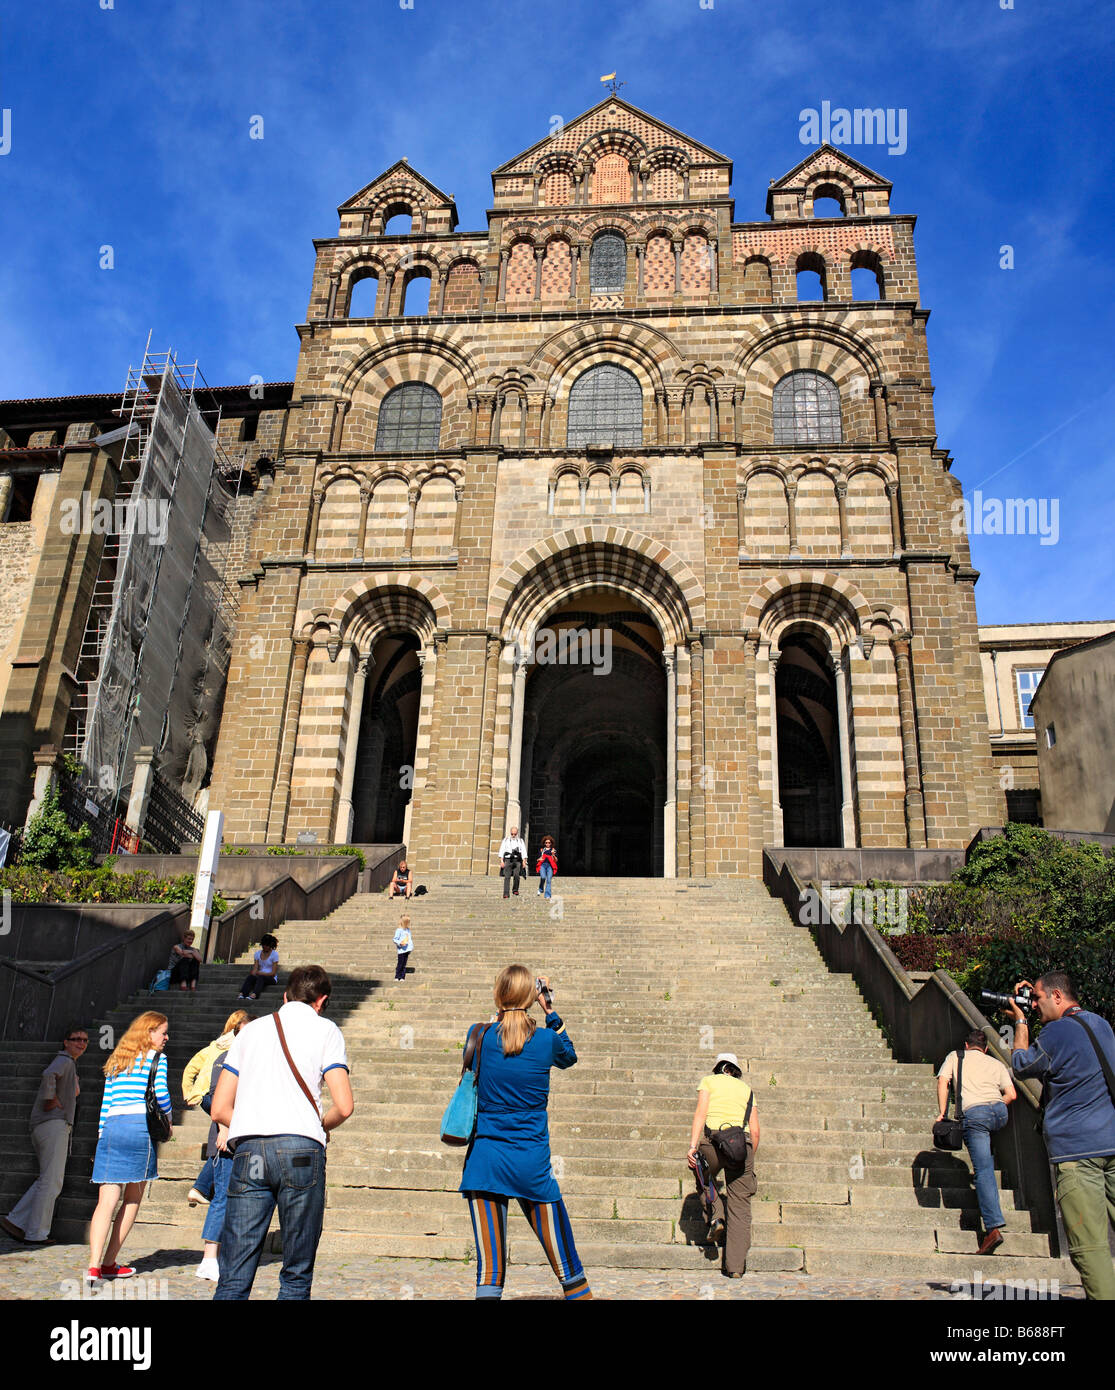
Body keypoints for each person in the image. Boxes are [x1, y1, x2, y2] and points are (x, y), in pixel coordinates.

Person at [210, 963, 354, 1300]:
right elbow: (344, 1105)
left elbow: (218, 1109)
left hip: (249, 1152)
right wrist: (320, 1125)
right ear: (322, 1001)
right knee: (295, 1275)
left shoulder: (250, 1032)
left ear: (286, 996)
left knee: (233, 1274)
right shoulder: (327, 1030)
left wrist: (250, 1121)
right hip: (301, 1150)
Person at [459, 965, 591, 1300]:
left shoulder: (480, 1034)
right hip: (530, 1163)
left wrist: (501, 1014)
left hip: (485, 1162)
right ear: (532, 996)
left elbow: (475, 1062)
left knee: (489, 1273)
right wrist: (550, 1010)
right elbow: (570, 1057)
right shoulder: (546, 1039)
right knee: (568, 1267)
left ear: (498, 996)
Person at [1008, 971, 1115, 1301]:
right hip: (1111, 1141)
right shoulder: (1100, 1024)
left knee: (1090, 1246)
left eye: (1038, 998)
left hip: (1076, 1153)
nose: (1035, 1004)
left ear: (1057, 996)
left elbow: (1022, 1065)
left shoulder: (1056, 1032)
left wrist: (1021, 1023)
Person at [86, 1011, 172, 1283]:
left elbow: (105, 1103)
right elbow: (162, 1096)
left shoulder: (117, 1059)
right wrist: (167, 1121)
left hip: (111, 1128)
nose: (166, 1038)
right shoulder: (157, 1059)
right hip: (138, 1128)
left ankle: (93, 1266)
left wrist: (102, 1135)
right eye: (163, 1032)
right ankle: (110, 1262)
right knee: (132, 1198)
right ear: (149, 1032)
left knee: (105, 1202)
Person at [1, 1023, 88, 1245]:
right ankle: (36, 1233)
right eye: (76, 1039)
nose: (81, 1043)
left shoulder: (69, 1064)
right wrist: (51, 1100)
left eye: (84, 1040)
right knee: (51, 1181)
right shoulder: (65, 1061)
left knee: (48, 1179)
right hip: (53, 1124)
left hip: (48, 1125)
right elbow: (49, 1074)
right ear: (66, 1042)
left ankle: (16, 1221)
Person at [936, 1030, 1017, 1254]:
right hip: (999, 1112)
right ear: (986, 1048)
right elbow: (1012, 1094)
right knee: (985, 1155)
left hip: (976, 1115)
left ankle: (992, 1228)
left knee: (983, 1171)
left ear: (966, 1044)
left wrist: (942, 1113)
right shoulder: (995, 1063)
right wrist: (993, 1107)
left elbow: (943, 1081)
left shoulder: (955, 1056)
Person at [687, 1052, 760, 1277]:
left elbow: (701, 1114)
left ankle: (716, 1214)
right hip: (743, 1145)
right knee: (740, 1205)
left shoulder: (709, 1081)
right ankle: (735, 1268)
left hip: (714, 1143)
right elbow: (755, 1130)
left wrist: (692, 1147)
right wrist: (748, 1155)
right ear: (735, 1070)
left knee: (703, 1176)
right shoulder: (747, 1090)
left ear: (718, 1067)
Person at [185, 1010, 251, 1208]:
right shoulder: (233, 1048)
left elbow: (192, 1066)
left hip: (206, 1095)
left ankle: (201, 1187)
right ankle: (201, 1187)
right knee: (224, 1134)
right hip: (215, 1095)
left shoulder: (218, 1044)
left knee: (223, 1133)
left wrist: (189, 1091)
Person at [194, 1038, 238, 1282]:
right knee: (222, 1196)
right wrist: (223, 1127)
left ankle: (224, 1255)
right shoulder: (226, 1060)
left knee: (234, 1197)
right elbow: (213, 1098)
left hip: (246, 1137)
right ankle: (209, 1258)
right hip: (227, 1138)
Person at [183, 1009, 252, 1109]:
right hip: (225, 1095)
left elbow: (190, 1068)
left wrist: (189, 1094)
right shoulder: (239, 1046)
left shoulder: (215, 1045)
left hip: (205, 1094)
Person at [237, 933, 279, 1001]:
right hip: (260, 975)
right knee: (250, 977)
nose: (264, 947)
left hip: (271, 978)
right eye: (263, 945)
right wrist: (253, 974)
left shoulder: (274, 954)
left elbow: (273, 973)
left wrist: (261, 973)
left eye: (266, 945)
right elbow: (255, 969)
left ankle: (255, 994)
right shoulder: (257, 954)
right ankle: (242, 993)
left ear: (270, 945)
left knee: (261, 977)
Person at [498, 826, 527, 899]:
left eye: (515, 834)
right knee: (507, 877)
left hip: (517, 860)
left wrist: (524, 861)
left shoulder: (520, 841)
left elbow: (523, 851)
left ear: (517, 833)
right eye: (512, 834)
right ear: (510, 833)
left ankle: (515, 889)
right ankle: (506, 893)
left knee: (517, 875)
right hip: (508, 860)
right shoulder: (506, 840)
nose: (513, 835)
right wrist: (501, 861)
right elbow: (502, 850)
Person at [535, 835, 557, 901]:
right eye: (546, 842)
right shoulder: (542, 850)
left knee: (549, 880)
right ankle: (541, 889)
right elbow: (538, 859)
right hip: (543, 865)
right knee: (543, 877)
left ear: (551, 843)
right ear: (544, 843)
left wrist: (553, 854)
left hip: (550, 866)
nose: (547, 844)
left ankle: (547, 894)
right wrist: (539, 860)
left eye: (549, 843)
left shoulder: (553, 850)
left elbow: (556, 860)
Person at [393, 914, 413, 982]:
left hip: (407, 950)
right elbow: (395, 939)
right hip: (401, 950)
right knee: (400, 964)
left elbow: (409, 939)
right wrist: (400, 943)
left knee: (404, 964)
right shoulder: (399, 930)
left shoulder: (408, 930)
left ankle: (402, 977)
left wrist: (410, 948)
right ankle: (397, 976)